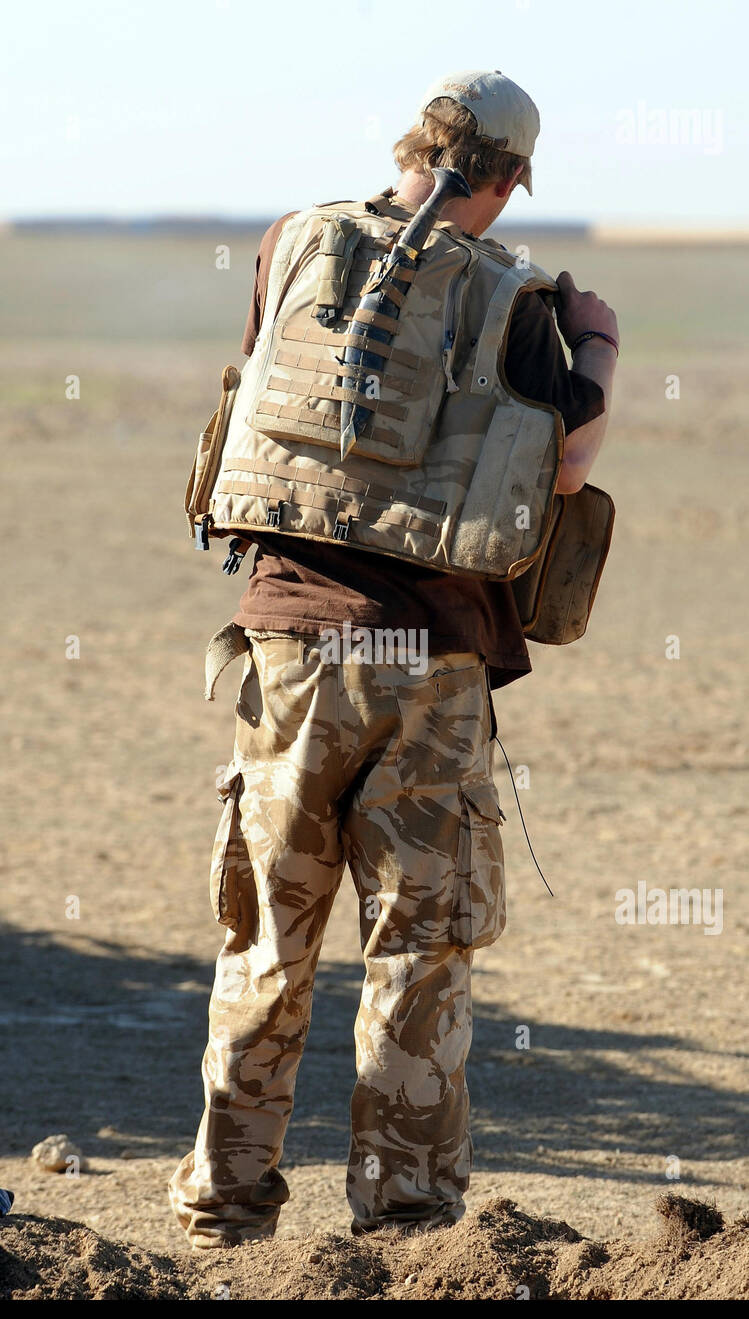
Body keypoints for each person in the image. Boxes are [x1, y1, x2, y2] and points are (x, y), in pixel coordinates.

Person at [169, 69, 619, 1249]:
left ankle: (225, 1210)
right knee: (418, 956)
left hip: (282, 653)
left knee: (266, 939)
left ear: (409, 144)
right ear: (509, 179)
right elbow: (564, 468)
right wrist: (600, 348)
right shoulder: (525, 301)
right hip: (428, 671)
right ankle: (410, 1231)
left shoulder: (291, 244)